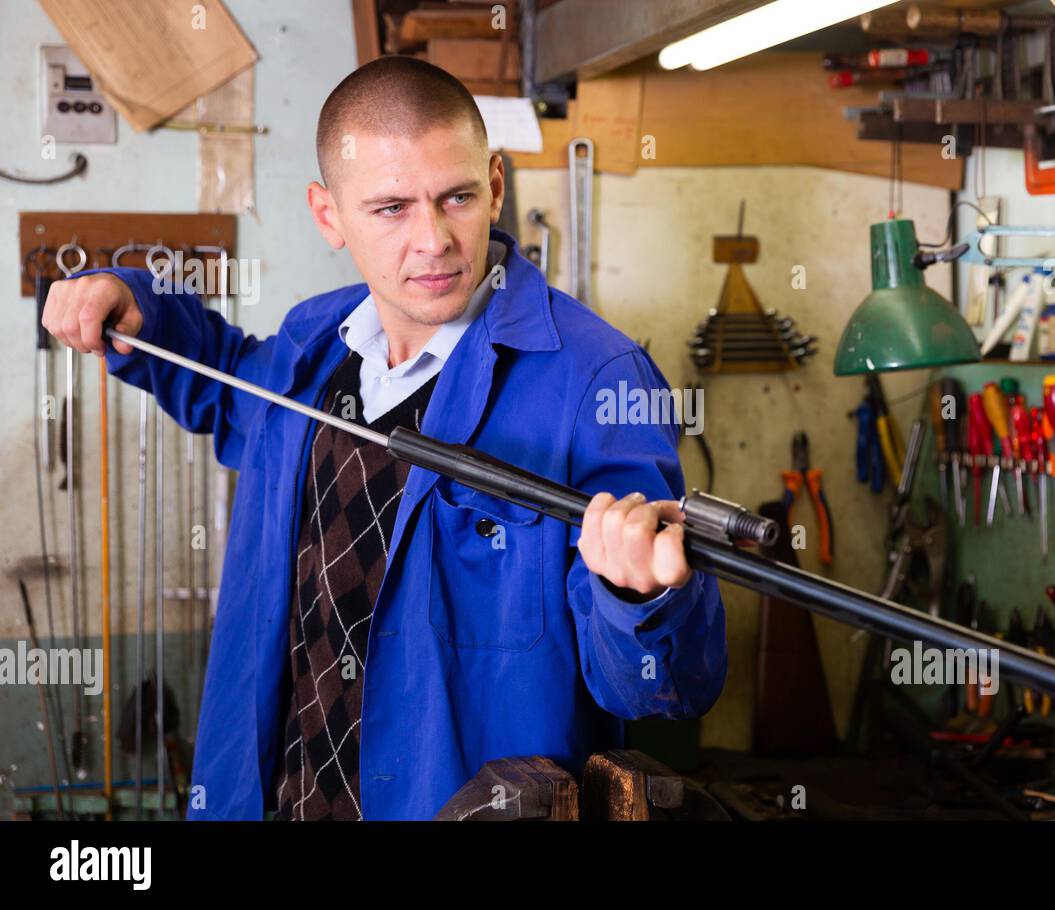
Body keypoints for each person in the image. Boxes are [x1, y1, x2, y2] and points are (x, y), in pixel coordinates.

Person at [41, 56, 727, 820]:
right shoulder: (313, 343)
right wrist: (137, 304)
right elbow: (229, 388)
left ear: (495, 186)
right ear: (329, 216)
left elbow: (662, 690)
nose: (432, 240)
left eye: (457, 197)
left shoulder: (597, 382)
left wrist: (642, 596)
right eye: (391, 208)